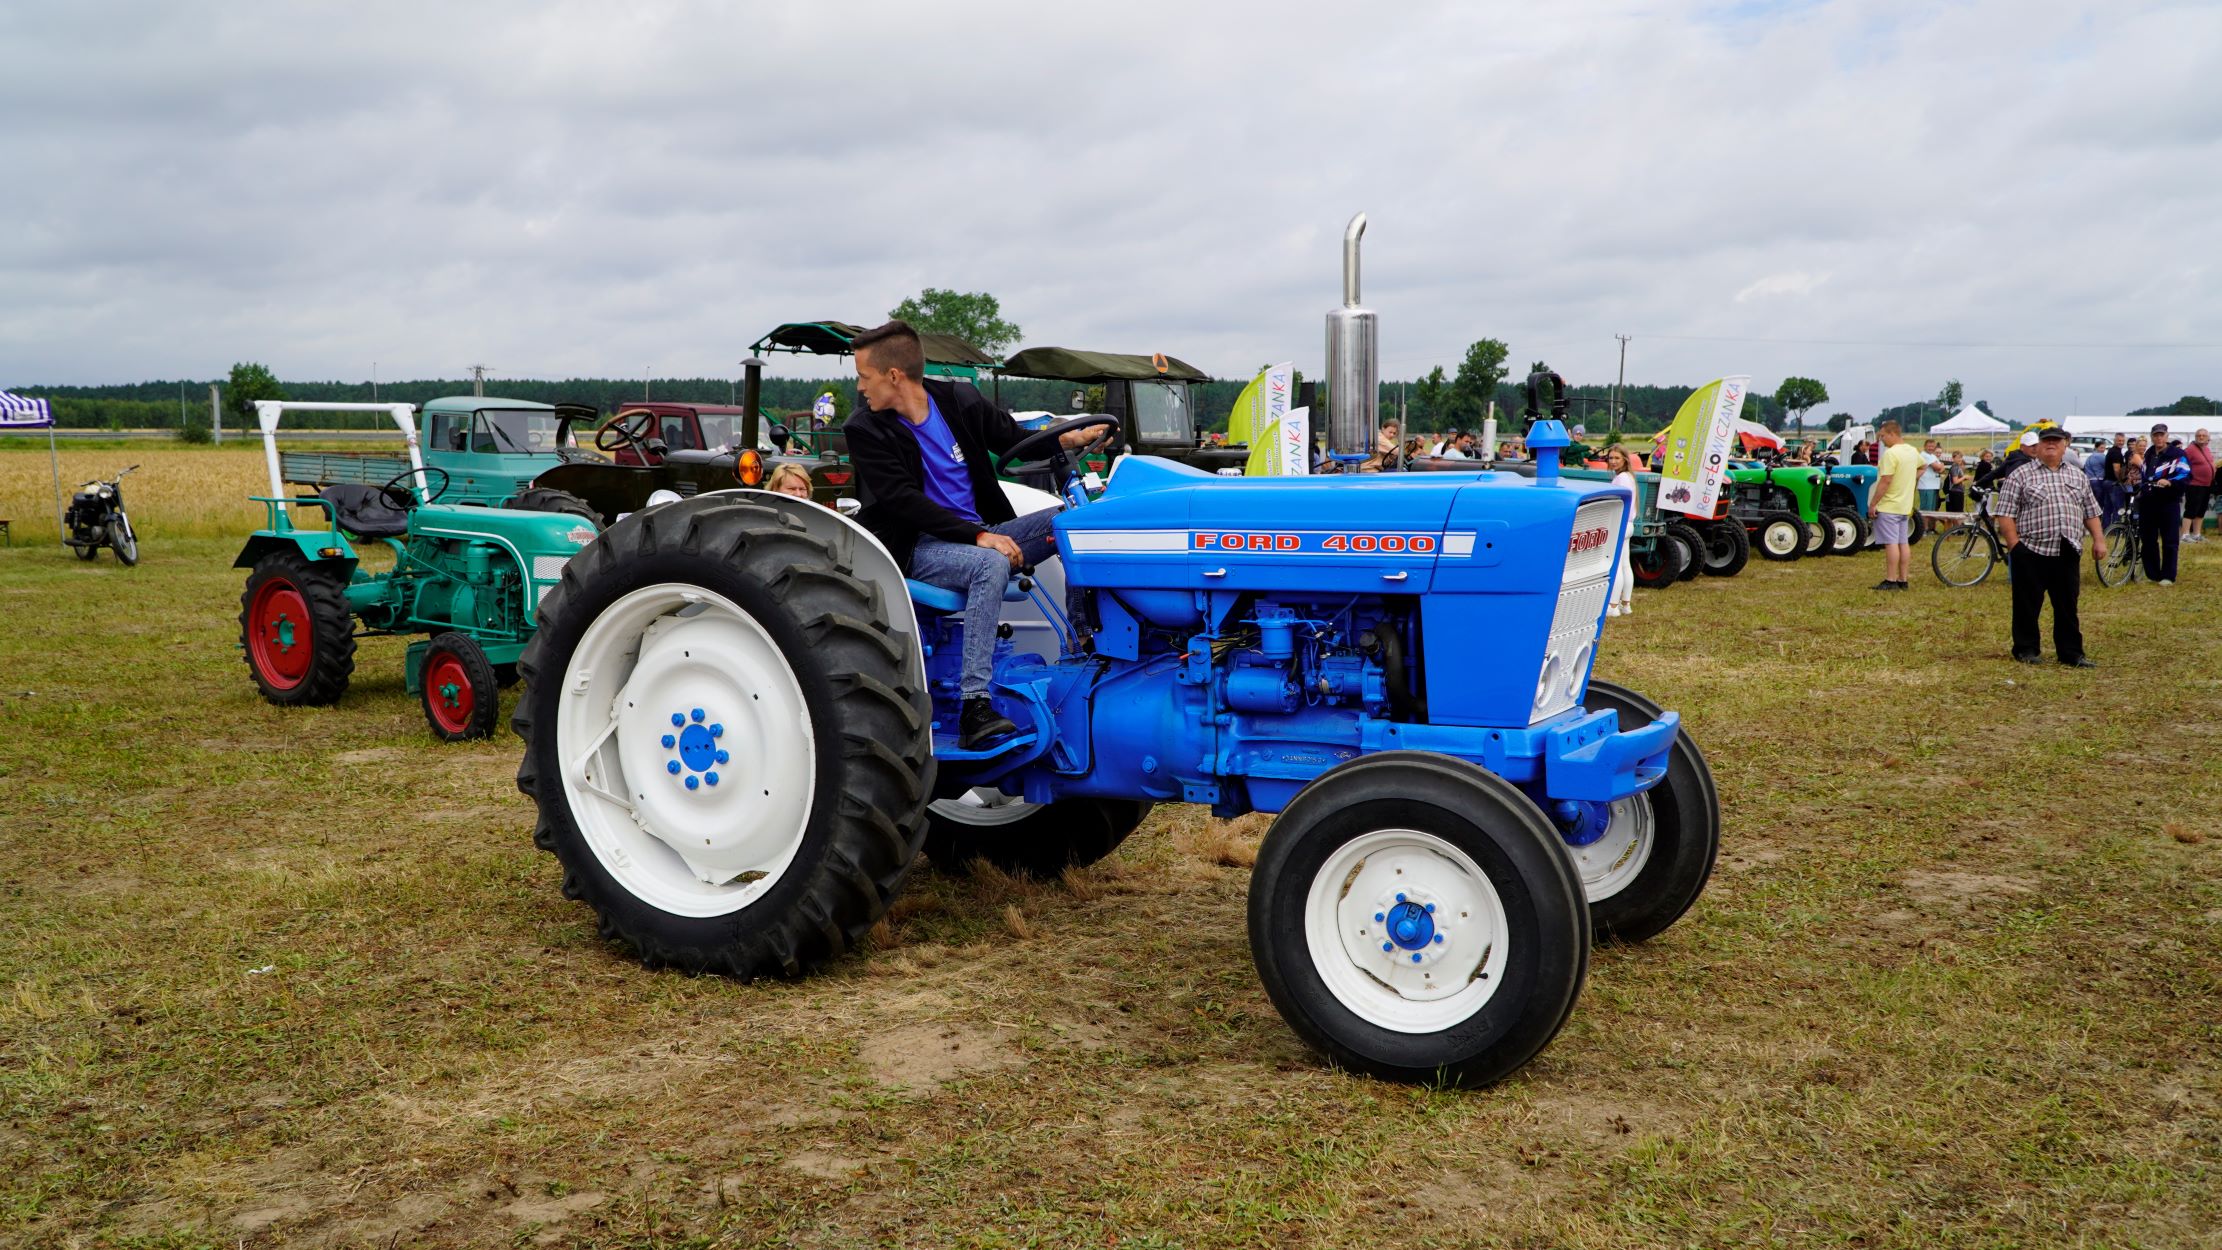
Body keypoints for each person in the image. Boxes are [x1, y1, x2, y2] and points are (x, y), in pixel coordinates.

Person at [845, 320, 1106, 748]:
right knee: (989, 562)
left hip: (979, 534)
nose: (860, 387)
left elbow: (1012, 438)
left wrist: (1072, 435)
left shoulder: (957, 400)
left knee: (1072, 523)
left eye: (863, 376)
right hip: (919, 546)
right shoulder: (866, 429)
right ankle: (974, 706)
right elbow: (902, 501)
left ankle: (1083, 648)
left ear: (894, 376)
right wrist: (978, 537)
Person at [1994, 426, 2106, 666]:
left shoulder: (2077, 476)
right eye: (2046, 441)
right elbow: (2005, 513)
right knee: (2027, 604)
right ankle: (2026, 649)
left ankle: (2071, 653)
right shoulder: (2021, 475)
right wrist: (2015, 545)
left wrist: (2099, 539)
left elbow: (2091, 511)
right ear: (2038, 446)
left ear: (2065, 445)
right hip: (2031, 549)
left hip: (2067, 549)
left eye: (2056, 441)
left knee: (2067, 605)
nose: (2051, 445)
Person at [1868, 420, 1922, 590]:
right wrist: (1911, 478)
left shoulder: (1891, 454)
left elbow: (1886, 480)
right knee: (1903, 542)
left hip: (1889, 506)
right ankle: (1903, 579)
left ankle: (1890, 579)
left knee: (1891, 544)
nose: (1881, 440)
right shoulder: (1912, 451)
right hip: (1904, 506)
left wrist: (1873, 503)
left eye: (1883, 436)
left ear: (1892, 434)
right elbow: (1924, 466)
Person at [2138, 422, 2189, 584]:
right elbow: (2144, 475)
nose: (2159, 438)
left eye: (2162, 435)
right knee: (2148, 539)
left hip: (2168, 501)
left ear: (2167, 436)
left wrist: (2170, 482)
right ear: (2152, 437)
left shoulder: (2177, 454)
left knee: (2170, 540)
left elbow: (2186, 475)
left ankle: (2168, 575)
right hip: (2148, 501)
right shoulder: (2149, 453)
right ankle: (2152, 574)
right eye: (2156, 435)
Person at [1604, 447, 1637, 616]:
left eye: (1617, 457)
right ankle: (1626, 604)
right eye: (1610, 458)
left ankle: (1613, 605)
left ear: (1624, 459)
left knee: (1616, 566)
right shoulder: (1629, 477)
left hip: (1622, 524)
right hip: (1630, 524)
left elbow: (1618, 503)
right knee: (1625, 564)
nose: (1613, 461)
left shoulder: (1621, 478)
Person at [2180, 427, 2212, 544]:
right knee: (2191, 509)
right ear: (2195, 437)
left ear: (2208, 437)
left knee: (2201, 510)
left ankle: (2196, 534)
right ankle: (2184, 535)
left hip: (2206, 484)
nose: (2201, 437)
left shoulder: (2207, 449)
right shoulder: (2190, 450)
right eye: (2199, 435)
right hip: (2194, 484)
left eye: (2204, 435)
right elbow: (2182, 463)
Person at [1917, 439, 1944, 513]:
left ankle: (1930, 524)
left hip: (1934, 486)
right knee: (1926, 511)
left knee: (1933, 511)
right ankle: (1924, 524)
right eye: (1929, 446)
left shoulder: (1932, 456)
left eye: (1933, 446)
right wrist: (1940, 466)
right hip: (1926, 486)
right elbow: (1938, 467)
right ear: (1924, 446)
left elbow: (1941, 469)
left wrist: (1940, 466)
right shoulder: (1924, 455)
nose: (1931, 448)